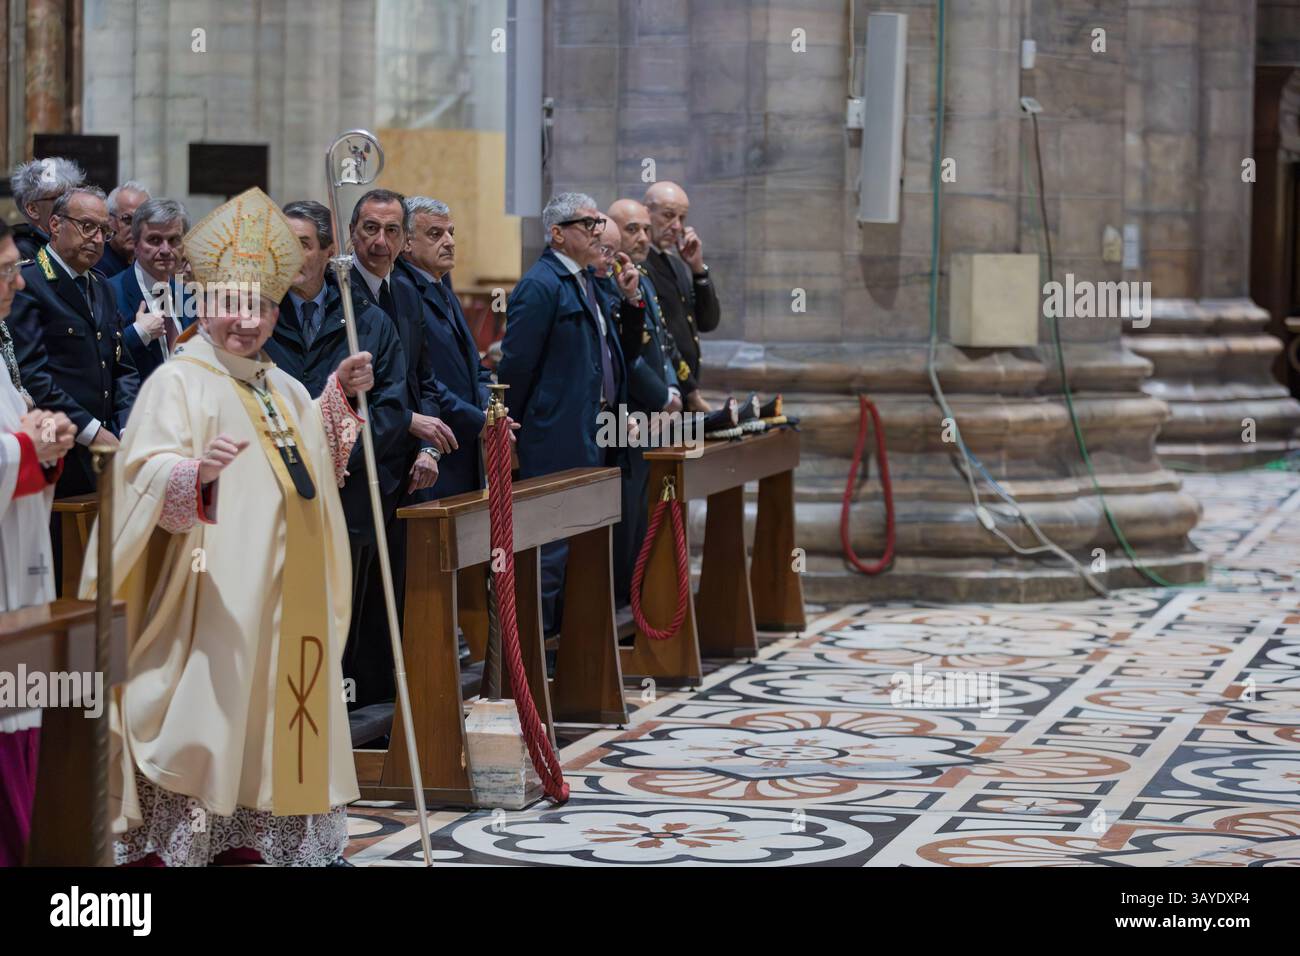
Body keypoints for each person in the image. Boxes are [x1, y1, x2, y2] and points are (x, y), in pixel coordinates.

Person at [79, 187, 373, 867]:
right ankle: (190, 840)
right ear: (205, 303)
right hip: (208, 595)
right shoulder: (178, 382)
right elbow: (140, 475)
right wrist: (194, 475)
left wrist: (336, 395)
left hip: (287, 597)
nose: (247, 320)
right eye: (232, 303)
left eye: (262, 306)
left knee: (275, 716)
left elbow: (311, 465)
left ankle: (259, 839)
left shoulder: (284, 386)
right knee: (213, 714)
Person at [267, 199, 411, 711]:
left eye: (303, 244)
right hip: (277, 495)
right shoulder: (260, 318)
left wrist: (340, 459)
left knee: (338, 616)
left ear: (329, 251)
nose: (291, 255)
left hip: (348, 497)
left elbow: (392, 408)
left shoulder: (366, 321)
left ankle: (332, 723)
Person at [497, 192, 642, 633]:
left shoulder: (586, 281)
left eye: (599, 223)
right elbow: (516, 366)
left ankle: (574, 649)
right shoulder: (541, 285)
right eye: (588, 224)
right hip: (555, 435)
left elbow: (619, 353)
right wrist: (513, 429)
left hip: (593, 429)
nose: (598, 232)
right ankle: (536, 651)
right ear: (557, 234)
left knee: (585, 544)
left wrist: (630, 300)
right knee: (551, 547)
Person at [0, 218, 77, 867]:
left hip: (18, 560)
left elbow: (18, 430)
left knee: (23, 712)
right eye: (6, 272)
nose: (19, 283)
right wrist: (30, 447)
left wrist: (45, 436)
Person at [8, 186, 140, 498]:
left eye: (104, 231)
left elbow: (123, 368)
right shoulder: (29, 283)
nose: (97, 239)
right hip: (57, 451)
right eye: (87, 226)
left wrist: (125, 426)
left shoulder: (102, 287)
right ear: (55, 225)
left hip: (107, 451)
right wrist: (93, 432)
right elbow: (32, 377)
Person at [605, 199, 683, 605]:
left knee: (647, 512)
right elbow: (626, 355)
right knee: (629, 515)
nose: (642, 237)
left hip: (658, 413)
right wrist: (663, 395)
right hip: (631, 414)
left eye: (644, 229)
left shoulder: (643, 280)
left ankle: (642, 598)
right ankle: (624, 603)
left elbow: (662, 346)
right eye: (631, 229)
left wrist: (674, 390)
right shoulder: (611, 281)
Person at [393, 196, 495, 498]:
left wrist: (490, 409)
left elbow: (474, 366)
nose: (449, 242)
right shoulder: (402, 291)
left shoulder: (443, 290)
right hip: (431, 450)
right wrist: (477, 420)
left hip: (463, 443)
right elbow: (421, 379)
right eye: (435, 234)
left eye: (450, 232)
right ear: (407, 243)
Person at [642, 181, 720, 412]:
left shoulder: (675, 264)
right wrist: (690, 389)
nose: (676, 226)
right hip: (662, 393)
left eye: (682, 218)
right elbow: (661, 337)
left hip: (685, 390)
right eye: (668, 215)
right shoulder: (639, 265)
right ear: (646, 213)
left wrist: (697, 269)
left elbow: (707, 322)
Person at [106, 197, 191, 380]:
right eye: (154, 240)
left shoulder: (187, 295)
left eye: (174, 240)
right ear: (136, 245)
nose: (166, 250)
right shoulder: (109, 292)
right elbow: (99, 359)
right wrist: (138, 333)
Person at [7, 157, 86, 259]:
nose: (72, 204)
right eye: (61, 198)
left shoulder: (72, 243)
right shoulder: (21, 251)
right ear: (33, 210)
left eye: (72, 196)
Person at [96, 181, 152, 278]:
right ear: (109, 220)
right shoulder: (98, 266)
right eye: (128, 219)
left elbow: (176, 285)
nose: (136, 229)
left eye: (143, 221)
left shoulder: (146, 261)